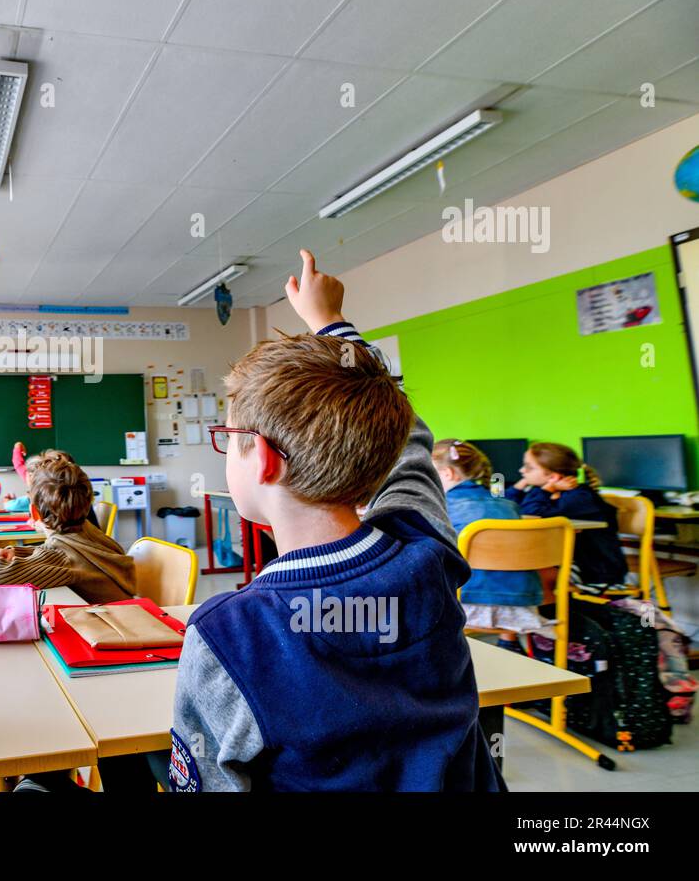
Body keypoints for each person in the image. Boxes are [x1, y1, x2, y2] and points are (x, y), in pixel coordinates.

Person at [168, 250, 501, 792]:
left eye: (228, 440)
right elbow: (409, 444)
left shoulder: (227, 633)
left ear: (265, 457)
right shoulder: (428, 553)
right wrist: (332, 326)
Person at [0, 451, 134, 604]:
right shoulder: (89, 533)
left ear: (35, 513)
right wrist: (16, 551)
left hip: (105, 625)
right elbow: (49, 550)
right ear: (87, 504)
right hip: (126, 615)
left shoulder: (62, 558)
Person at [432, 439, 540, 653]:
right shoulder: (510, 506)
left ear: (447, 474)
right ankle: (508, 644)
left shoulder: (440, 507)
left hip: (467, 604)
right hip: (522, 603)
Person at [505, 442, 627, 587]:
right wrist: (523, 482)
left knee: (523, 571)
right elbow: (504, 505)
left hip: (597, 572)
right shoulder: (542, 492)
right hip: (570, 564)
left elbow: (531, 515)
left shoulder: (579, 497)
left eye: (529, 467)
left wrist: (547, 488)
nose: (521, 470)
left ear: (554, 476)